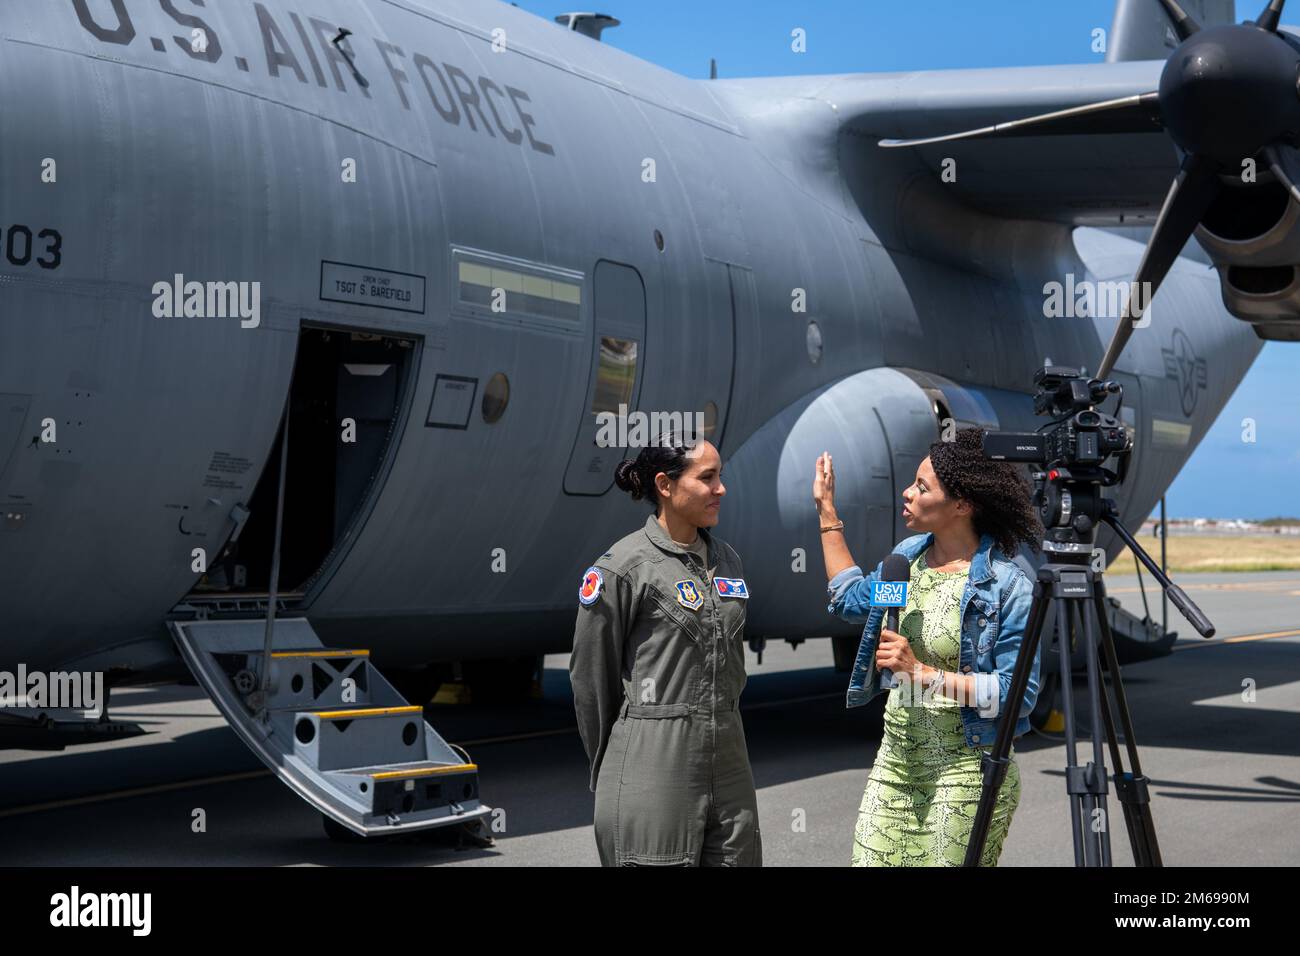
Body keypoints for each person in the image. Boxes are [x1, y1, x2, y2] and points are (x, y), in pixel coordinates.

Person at [814, 426, 1043, 866]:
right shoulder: (905, 562)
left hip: (967, 770)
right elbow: (849, 600)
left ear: (962, 505)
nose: (907, 493)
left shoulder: (1007, 585)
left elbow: (1018, 694)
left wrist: (922, 675)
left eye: (922, 487)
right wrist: (826, 511)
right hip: (896, 766)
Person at [570, 433, 760, 866]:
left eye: (721, 477)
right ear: (665, 485)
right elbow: (590, 681)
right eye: (707, 478)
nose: (720, 489)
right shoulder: (623, 567)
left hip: (729, 757)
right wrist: (626, 756)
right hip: (653, 759)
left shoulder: (727, 561)